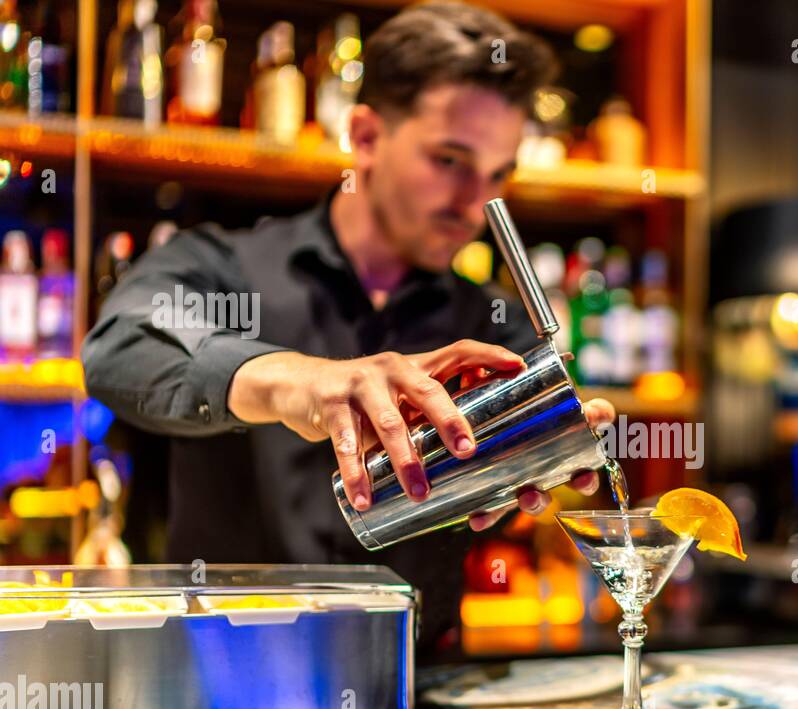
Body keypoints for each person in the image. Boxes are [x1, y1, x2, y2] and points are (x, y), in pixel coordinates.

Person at [82, 2, 613, 661]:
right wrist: (295, 380)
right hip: (226, 697)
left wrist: (528, 463)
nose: (475, 203)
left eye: (498, 174)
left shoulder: (491, 325)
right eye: (450, 161)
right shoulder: (223, 268)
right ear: (364, 136)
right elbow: (120, 345)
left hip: (418, 701)